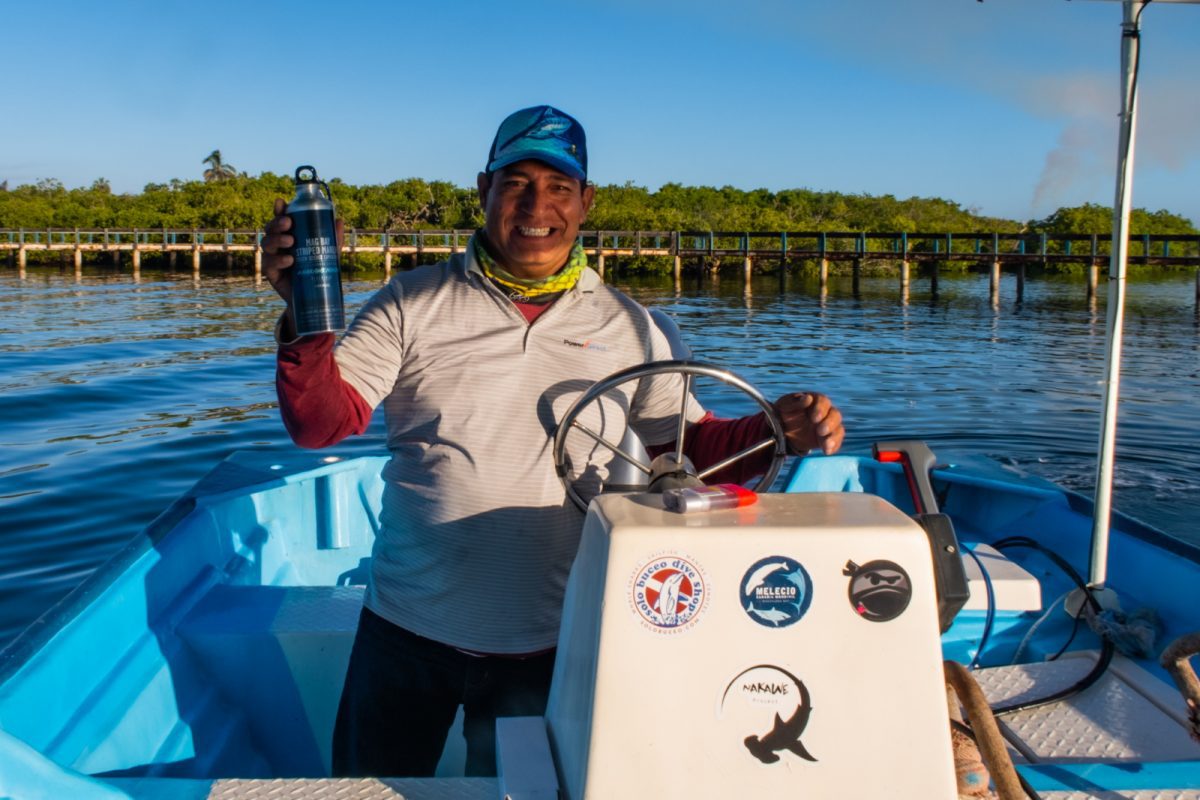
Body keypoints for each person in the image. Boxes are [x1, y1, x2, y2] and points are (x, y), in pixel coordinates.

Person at [262, 104, 844, 778]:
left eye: (559, 187)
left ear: (585, 202)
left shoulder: (635, 324)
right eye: (516, 183)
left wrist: (779, 431)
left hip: (555, 642)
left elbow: (685, 446)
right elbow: (320, 425)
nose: (536, 205)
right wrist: (305, 321)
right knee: (371, 791)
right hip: (405, 632)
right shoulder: (407, 301)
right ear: (483, 192)